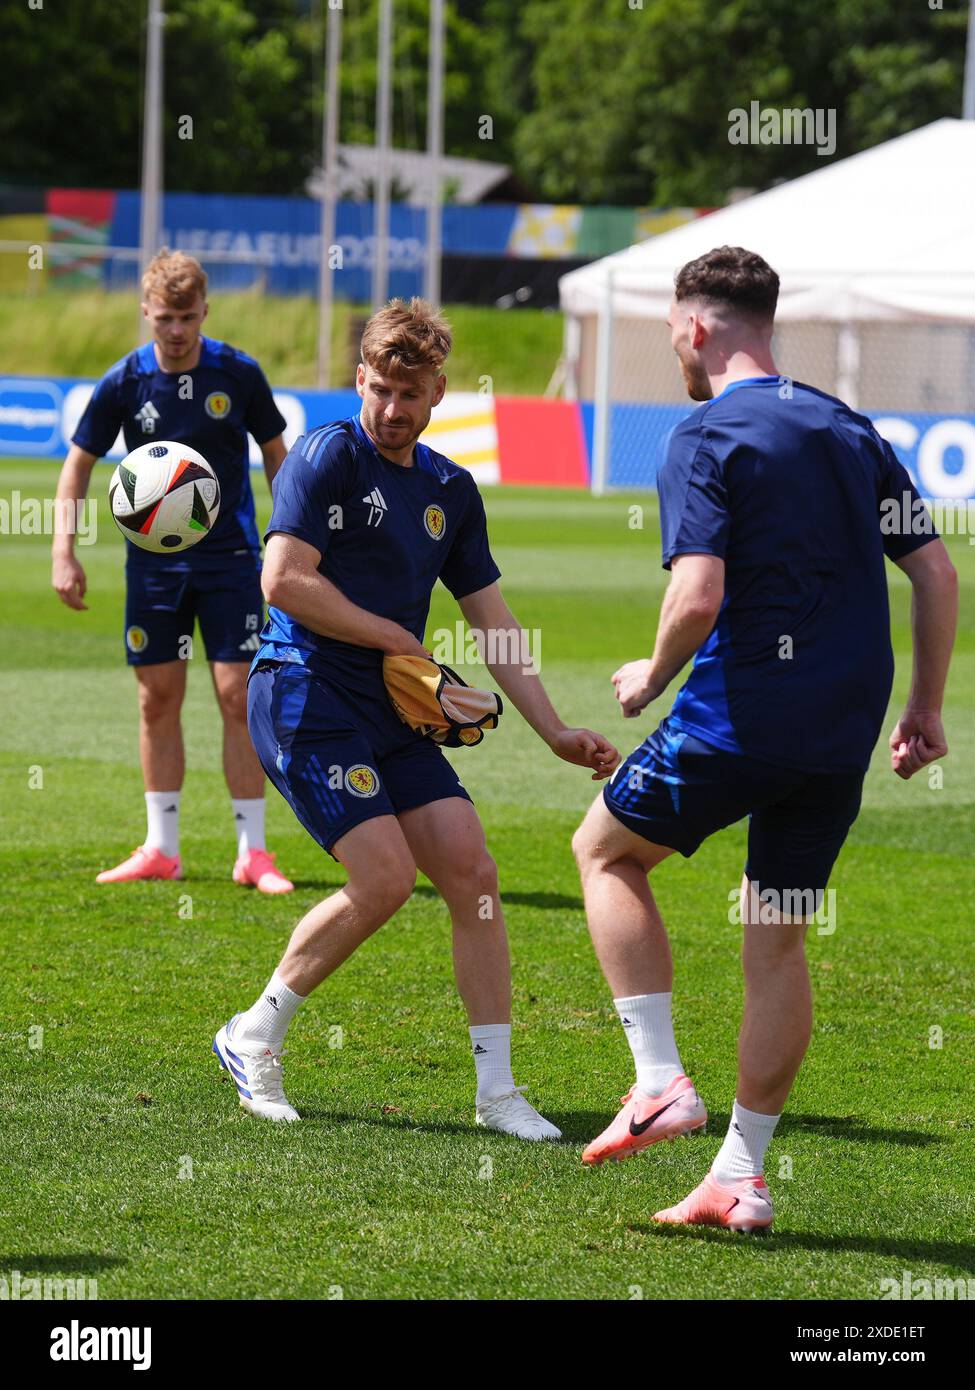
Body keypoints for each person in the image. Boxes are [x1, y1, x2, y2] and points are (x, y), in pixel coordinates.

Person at [571, 245, 957, 1231]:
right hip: (841, 730)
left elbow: (696, 595)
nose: (676, 347)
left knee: (605, 852)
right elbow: (937, 574)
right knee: (775, 934)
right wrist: (925, 710)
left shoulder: (705, 434)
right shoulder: (848, 427)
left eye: (672, 332)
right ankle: (740, 1174)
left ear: (696, 326)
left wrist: (648, 676)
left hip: (744, 715)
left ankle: (659, 1079)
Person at [212, 297, 620, 1137]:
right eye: (379, 391)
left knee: (471, 872)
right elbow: (283, 580)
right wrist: (392, 634)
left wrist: (553, 731)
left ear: (438, 393)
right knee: (385, 878)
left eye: (411, 395)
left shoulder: (448, 489)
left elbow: (493, 622)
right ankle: (253, 1035)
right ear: (359, 378)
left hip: (390, 710)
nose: (393, 411)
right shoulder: (325, 457)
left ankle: (497, 1091)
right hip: (302, 691)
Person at [51, 249, 294, 894]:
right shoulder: (125, 382)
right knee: (156, 699)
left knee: (238, 695)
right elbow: (78, 464)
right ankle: (162, 847)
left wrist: (289, 541)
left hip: (232, 560)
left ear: (205, 311)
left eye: (187, 317)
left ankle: (254, 853)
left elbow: (278, 456)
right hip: (153, 568)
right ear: (147, 314)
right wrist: (63, 551)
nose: (177, 330)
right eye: (164, 318)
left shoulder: (238, 374)